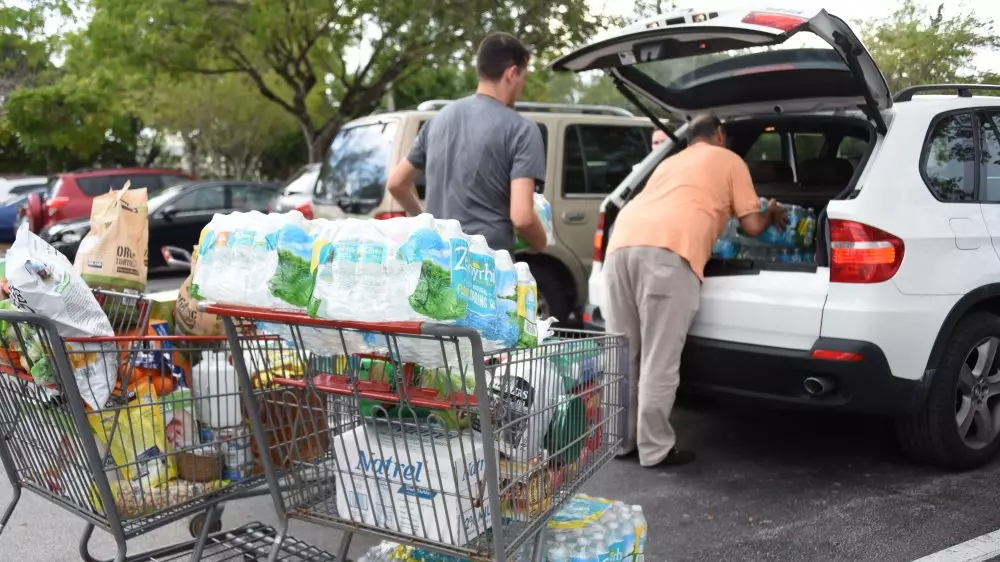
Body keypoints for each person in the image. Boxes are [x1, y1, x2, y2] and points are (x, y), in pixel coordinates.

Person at [605, 114, 786, 468]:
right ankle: (655, 450)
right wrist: (771, 212)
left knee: (622, 354)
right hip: (668, 254)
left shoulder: (669, 162)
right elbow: (751, 226)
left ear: (690, 138)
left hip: (620, 246)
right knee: (660, 358)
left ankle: (621, 443)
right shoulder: (729, 159)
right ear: (719, 134)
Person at [386, 32, 548, 253]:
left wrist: (426, 221)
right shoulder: (521, 130)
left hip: (438, 264)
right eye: (523, 78)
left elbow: (396, 183)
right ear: (512, 73)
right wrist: (541, 242)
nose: (521, 87)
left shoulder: (438, 121)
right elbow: (522, 218)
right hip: (485, 272)